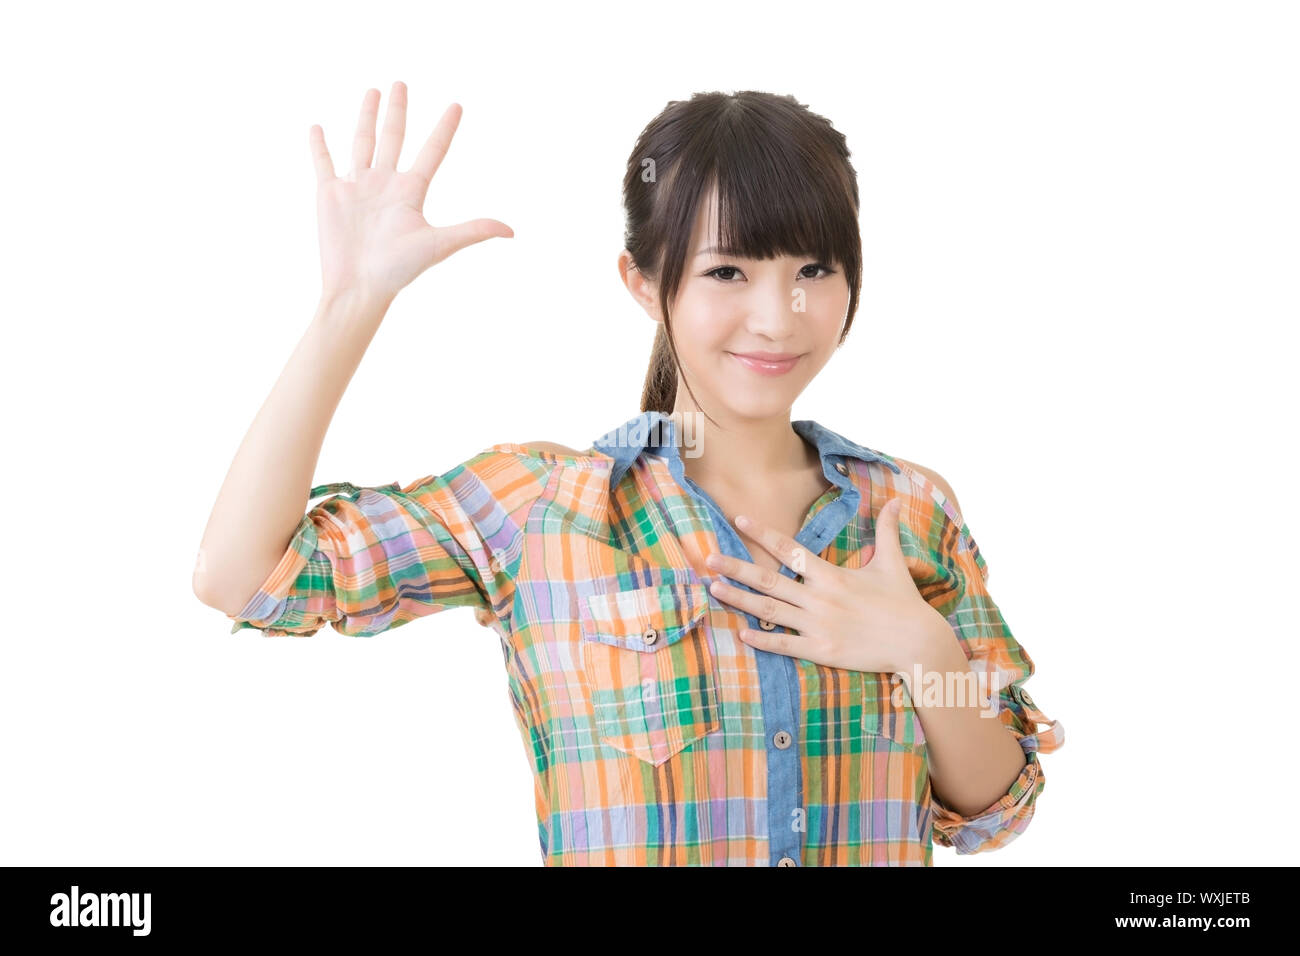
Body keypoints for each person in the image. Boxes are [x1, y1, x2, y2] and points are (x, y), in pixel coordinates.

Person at [193, 82, 1065, 866]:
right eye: (728, 271)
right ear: (646, 285)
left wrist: (921, 648)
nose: (777, 317)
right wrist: (352, 300)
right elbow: (247, 576)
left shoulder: (906, 511)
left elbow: (993, 810)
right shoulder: (543, 509)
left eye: (812, 270)